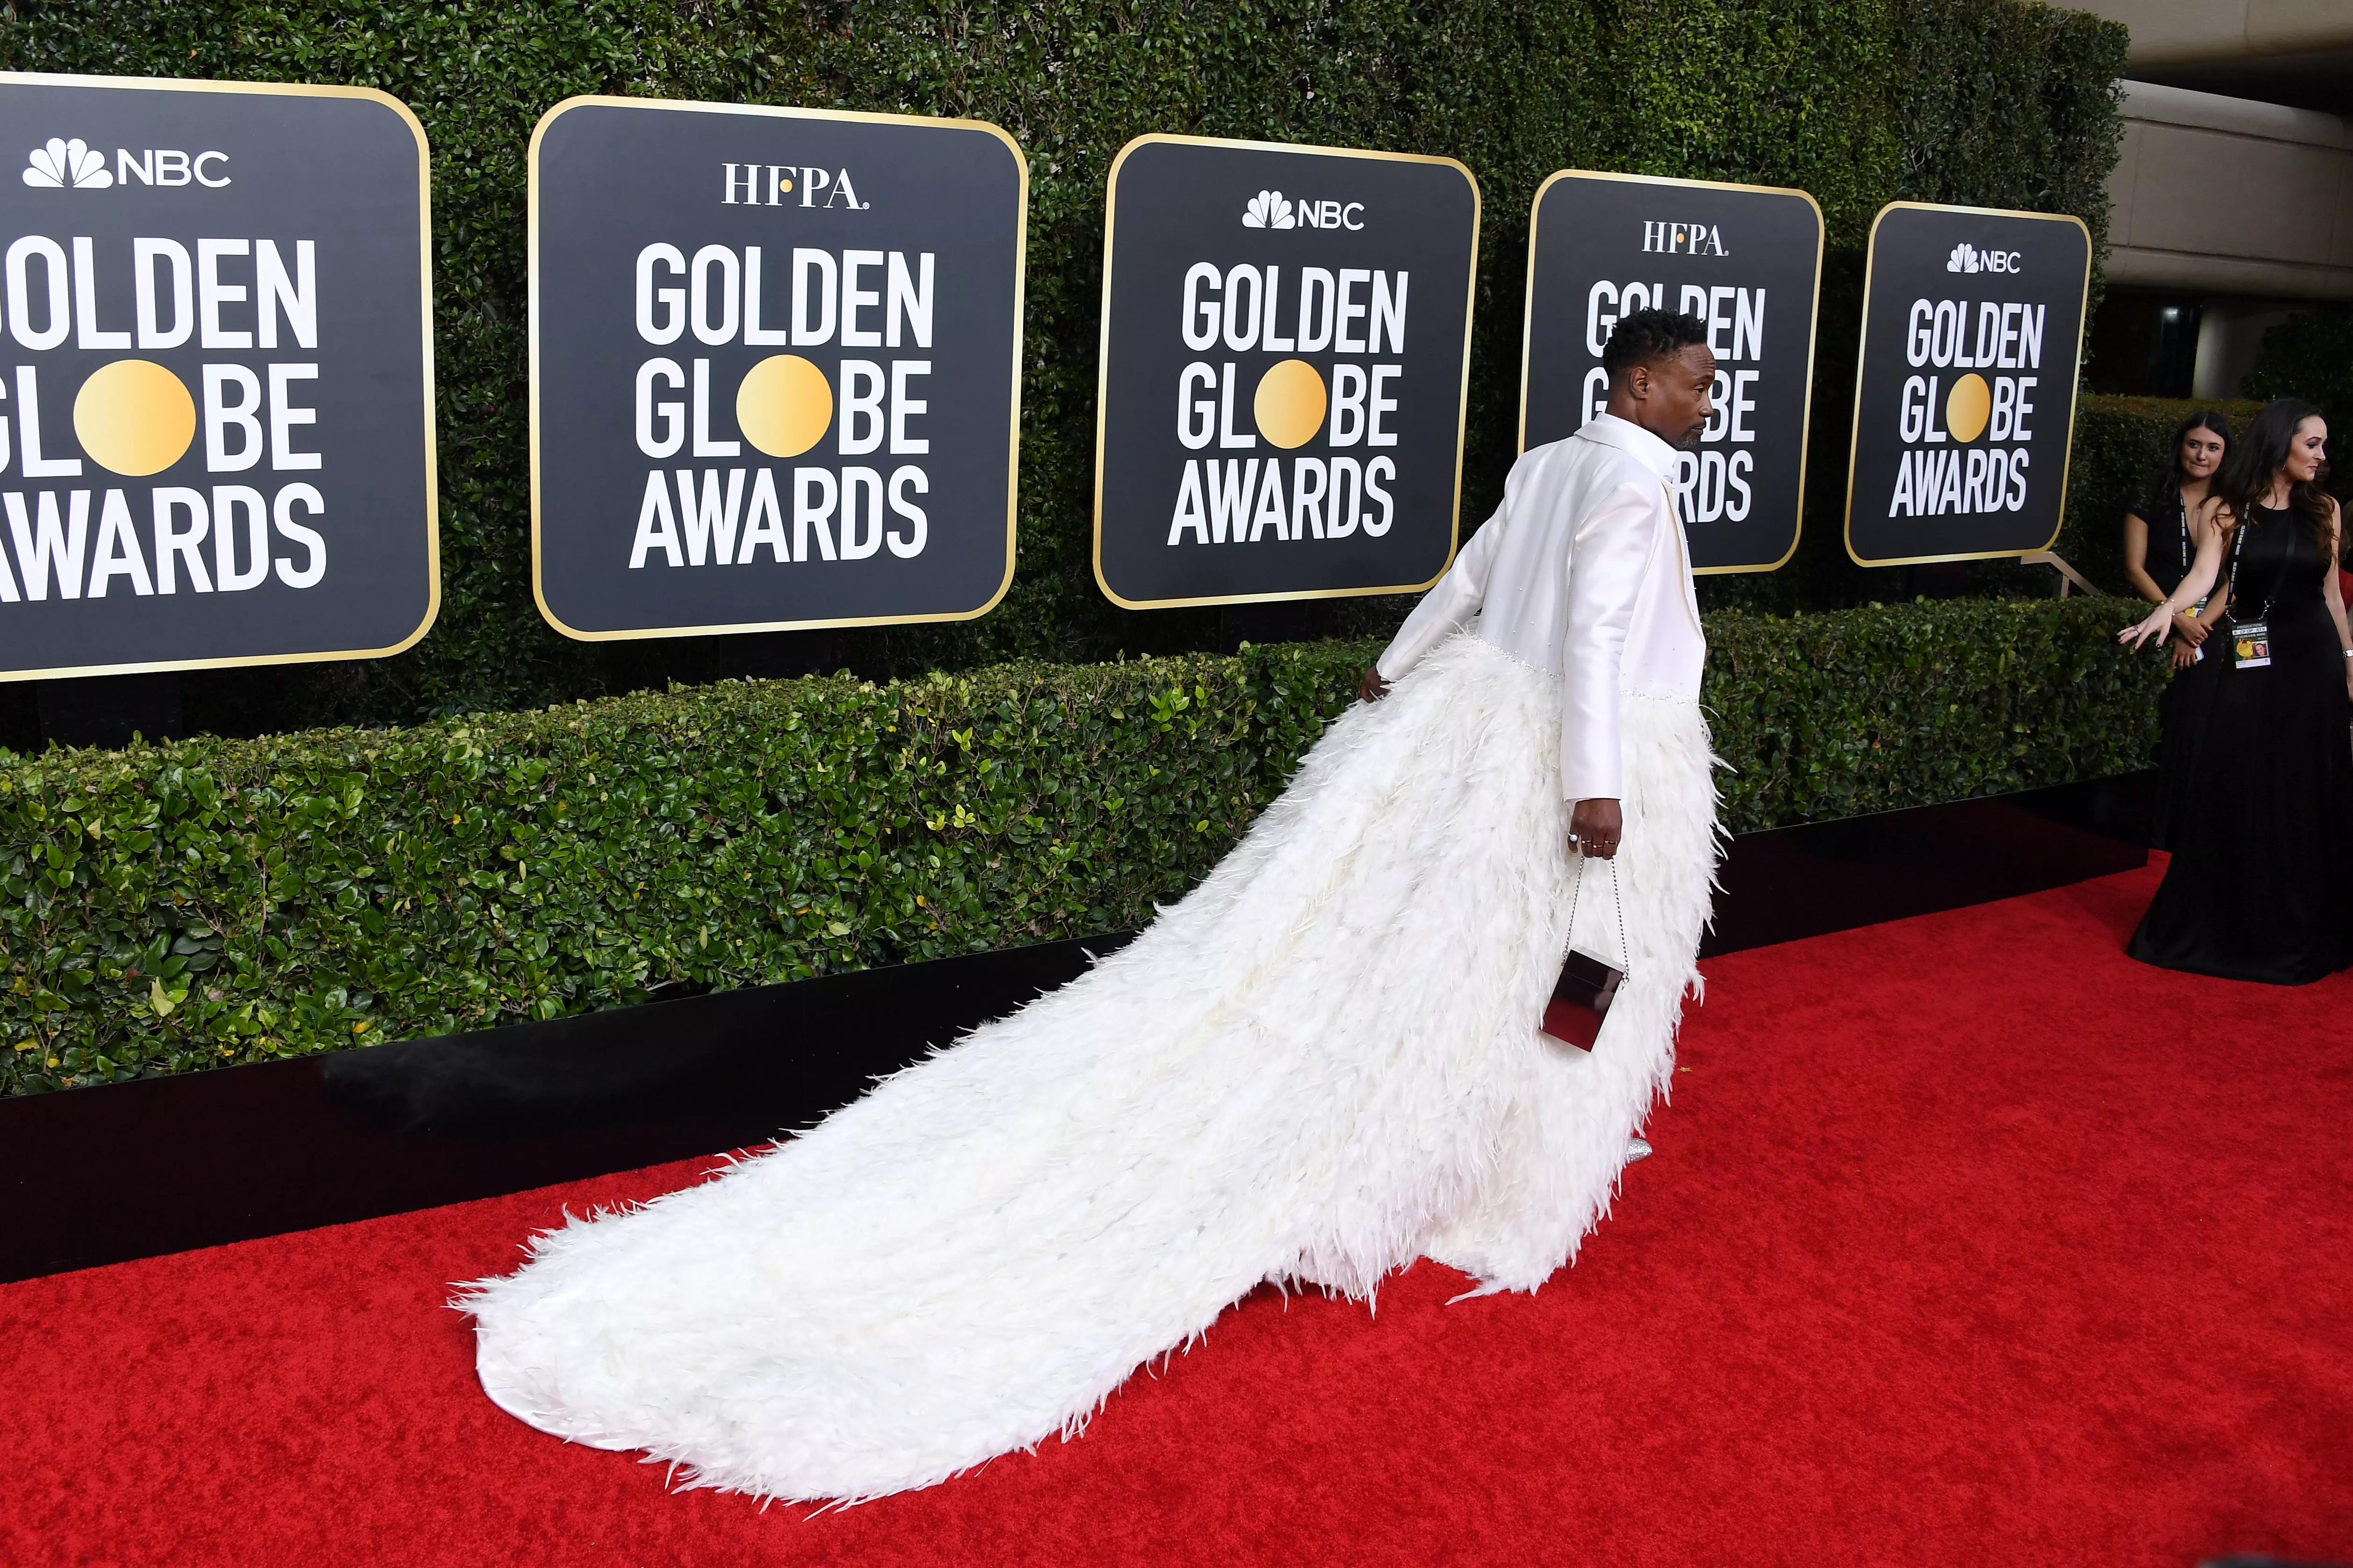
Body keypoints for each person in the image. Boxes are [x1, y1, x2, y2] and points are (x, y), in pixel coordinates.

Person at [462, 309, 1724, 1503]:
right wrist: (1598, 783)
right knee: (1530, 962)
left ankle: (1460, 1149)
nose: (1708, 399)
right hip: (1566, 753)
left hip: (1471, 724)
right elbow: (1601, 638)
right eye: (1695, 380)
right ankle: (1480, 1174)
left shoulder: (1553, 462)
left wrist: (1393, 671)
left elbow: (1467, 581)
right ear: (1635, 383)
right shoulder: (1624, 483)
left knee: (1443, 957)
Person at [2120, 397, 2353, 983]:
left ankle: (2298, 922)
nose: (2322, 456)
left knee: (2305, 791)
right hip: (2252, 661)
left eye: (2324, 446)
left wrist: (2349, 663)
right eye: (2313, 444)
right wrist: (2166, 612)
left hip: (2313, 664)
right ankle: (2227, 917)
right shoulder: (2230, 509)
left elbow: (2329, 595)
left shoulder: (2324, 508)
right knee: (2237, 779)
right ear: (2280, 445)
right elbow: (2205, 576)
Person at [2122, 410, 2232, 847]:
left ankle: (2186, 830)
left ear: (2227, 454)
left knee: (2200, 727)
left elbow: (2236, 577)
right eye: (2194, 444)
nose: (2201, 455)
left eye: (2213, 447)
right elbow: (2134, 568)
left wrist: (2198, 627)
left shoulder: (2235, 500)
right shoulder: (2151, 493)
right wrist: (2175, 619)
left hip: (2210, 629)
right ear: (2180, 446)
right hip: (2155, 622)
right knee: (2156, 723)